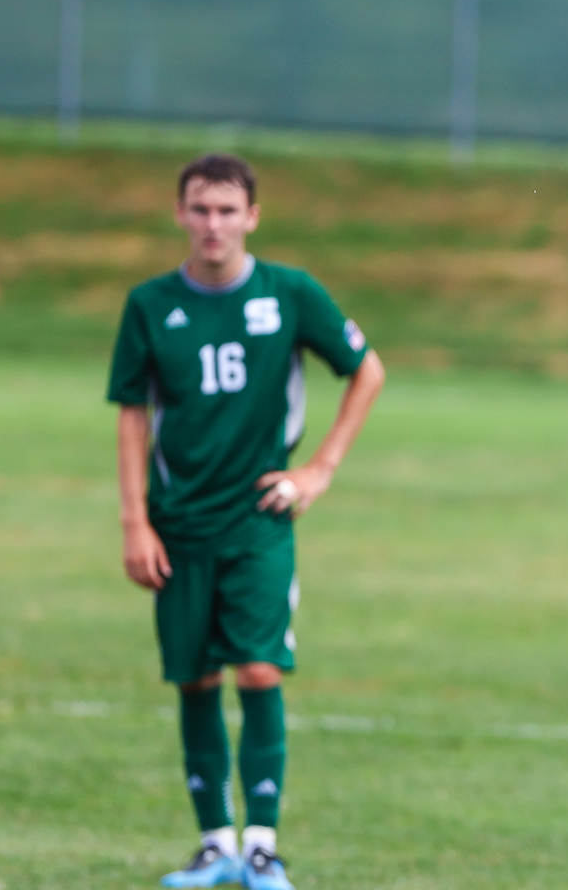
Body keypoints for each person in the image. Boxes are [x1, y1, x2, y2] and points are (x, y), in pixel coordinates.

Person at [107, 154, 385, 890]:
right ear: (180, 214)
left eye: (228, 210)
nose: (213, 224)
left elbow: (367, 369)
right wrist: (134, 522)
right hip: (177, 524)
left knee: (259, 668)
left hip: (259, 521)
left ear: (252, 217)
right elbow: (132, 416)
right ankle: (214, 846)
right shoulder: (149, 304)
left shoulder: (289, 294)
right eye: (200, 209)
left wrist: (319, 469)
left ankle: (262, 846)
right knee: (196, 678)